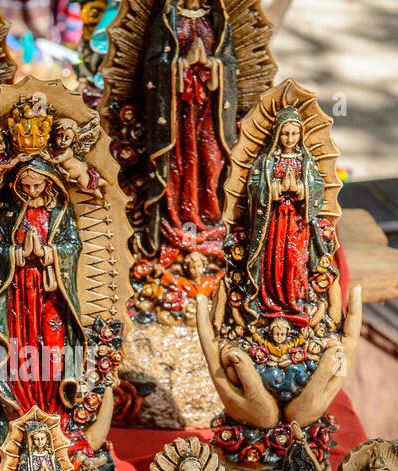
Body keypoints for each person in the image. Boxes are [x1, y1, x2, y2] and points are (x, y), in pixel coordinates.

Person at [0, 161, 84, 439]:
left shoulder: (61, 211)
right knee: (19, 349)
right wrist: (17, 255)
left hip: (51, 292)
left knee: (52, 349)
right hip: (17, 292)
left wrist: (49, 253)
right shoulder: (6, 211)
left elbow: (74, 246)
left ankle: (54, 412)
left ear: (48, 183)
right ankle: (21, 412)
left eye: (37, 186)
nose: (31, 191)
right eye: (25, 187)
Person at [141, 0, 237, 266]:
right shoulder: (169, 19)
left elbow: (230, 65)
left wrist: (209, 64)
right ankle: (176, 225)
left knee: (211, 161)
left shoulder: (217, 19)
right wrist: (181, 65)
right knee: (175, 166)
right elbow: (154, 65)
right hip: (176, 114)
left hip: (209, 111)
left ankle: (209, 223)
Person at [239, 108, 338, 327]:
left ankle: (295, 302)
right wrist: (274, 188)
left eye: (294, 134)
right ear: (277, 134)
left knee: (294, 259)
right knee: (274, 260)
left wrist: (301, 188)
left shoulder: (305, 160)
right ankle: (270, 302)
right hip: (273, 222)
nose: (290, 139)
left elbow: (317, 185)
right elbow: (254, 186)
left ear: (301, 135)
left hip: (296, 222)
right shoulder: (267, 160)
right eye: (285, 134)